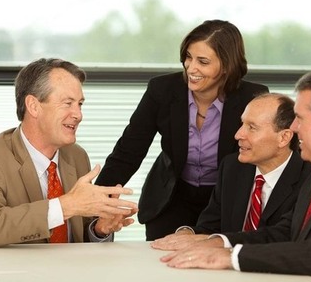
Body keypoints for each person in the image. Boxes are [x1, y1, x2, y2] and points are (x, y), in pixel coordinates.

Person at [160, 68, 311, 282]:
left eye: (300, 118)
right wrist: (218, 242)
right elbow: (287, 231)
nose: (294, 127)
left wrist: (232, 257)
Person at [95, 20, 269, 241]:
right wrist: (98, 201)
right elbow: (128, 151)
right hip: (172, 197)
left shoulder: (252, 98)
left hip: (224, 200)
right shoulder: (163, 90)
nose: (191, 68)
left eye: (203, 62)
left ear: (227, 66)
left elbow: (267, 157)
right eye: (188, 57)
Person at [0, 58, 138, 248]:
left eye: (79, 104)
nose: (78, 115)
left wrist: (99, 230)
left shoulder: (76, 156)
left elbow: (79, 238)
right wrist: (65, 206)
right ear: (33, 106)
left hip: (71, 273)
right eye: (68, 103)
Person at [151, 93, 311, 251]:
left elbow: (287, 239)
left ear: (284, 137)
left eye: (252, 127)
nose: (238, 135)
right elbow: (210, 227)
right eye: (242, 124)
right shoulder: (232, 167)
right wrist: (188, 233)